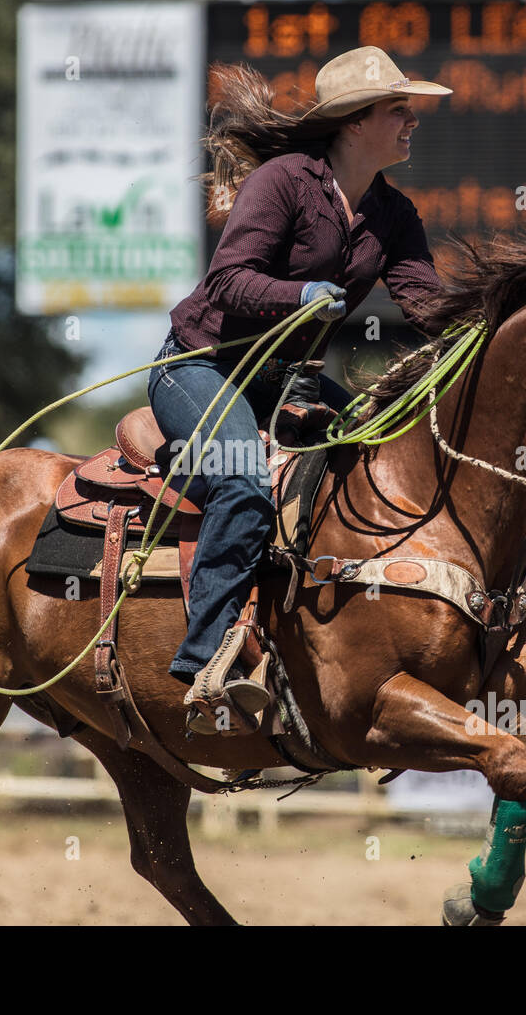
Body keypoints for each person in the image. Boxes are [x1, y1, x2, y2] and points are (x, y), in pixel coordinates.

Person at [147, 46, 456, 736]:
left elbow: (429, 307)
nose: (413, 121)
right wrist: (298, 295)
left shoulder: (394, 215)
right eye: (398, 110)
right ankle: (208, 666)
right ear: (353, 122)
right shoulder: (284, 182)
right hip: (199, 369)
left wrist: (497, 317)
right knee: (244, 484)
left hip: (284, 385)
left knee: (378, 462)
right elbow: (227, 281)